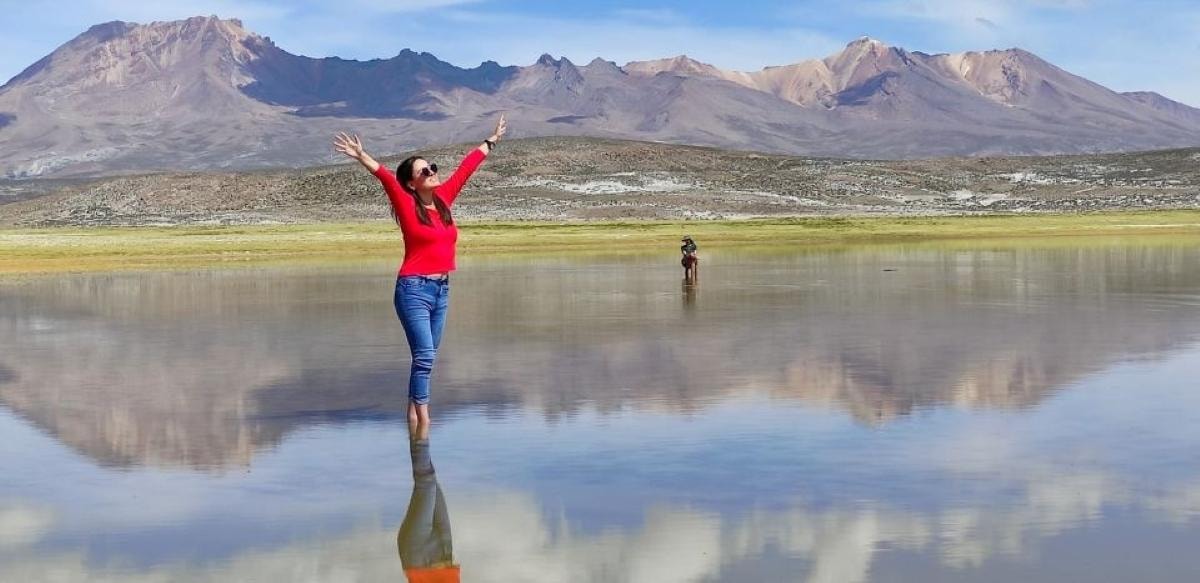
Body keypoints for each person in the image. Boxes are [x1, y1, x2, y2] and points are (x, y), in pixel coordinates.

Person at [333, 114, 507, 426]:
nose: (431, 173)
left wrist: (490, 141)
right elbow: (386, 177)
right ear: (412, 183)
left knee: (424, 359)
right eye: (423, 171)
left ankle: (413, 421)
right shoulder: (405, 202)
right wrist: (361, 156)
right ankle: (425, 425)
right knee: (425, 356)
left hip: (441, 290)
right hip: (413, 289)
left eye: (432, 168)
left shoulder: (443, 199)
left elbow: (467, 169)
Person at [398, 420, 459, 583]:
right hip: (445, 554)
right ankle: (416, 408)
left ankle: (419, 403)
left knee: (426, 481)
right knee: (429, 480)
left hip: (417, 559)